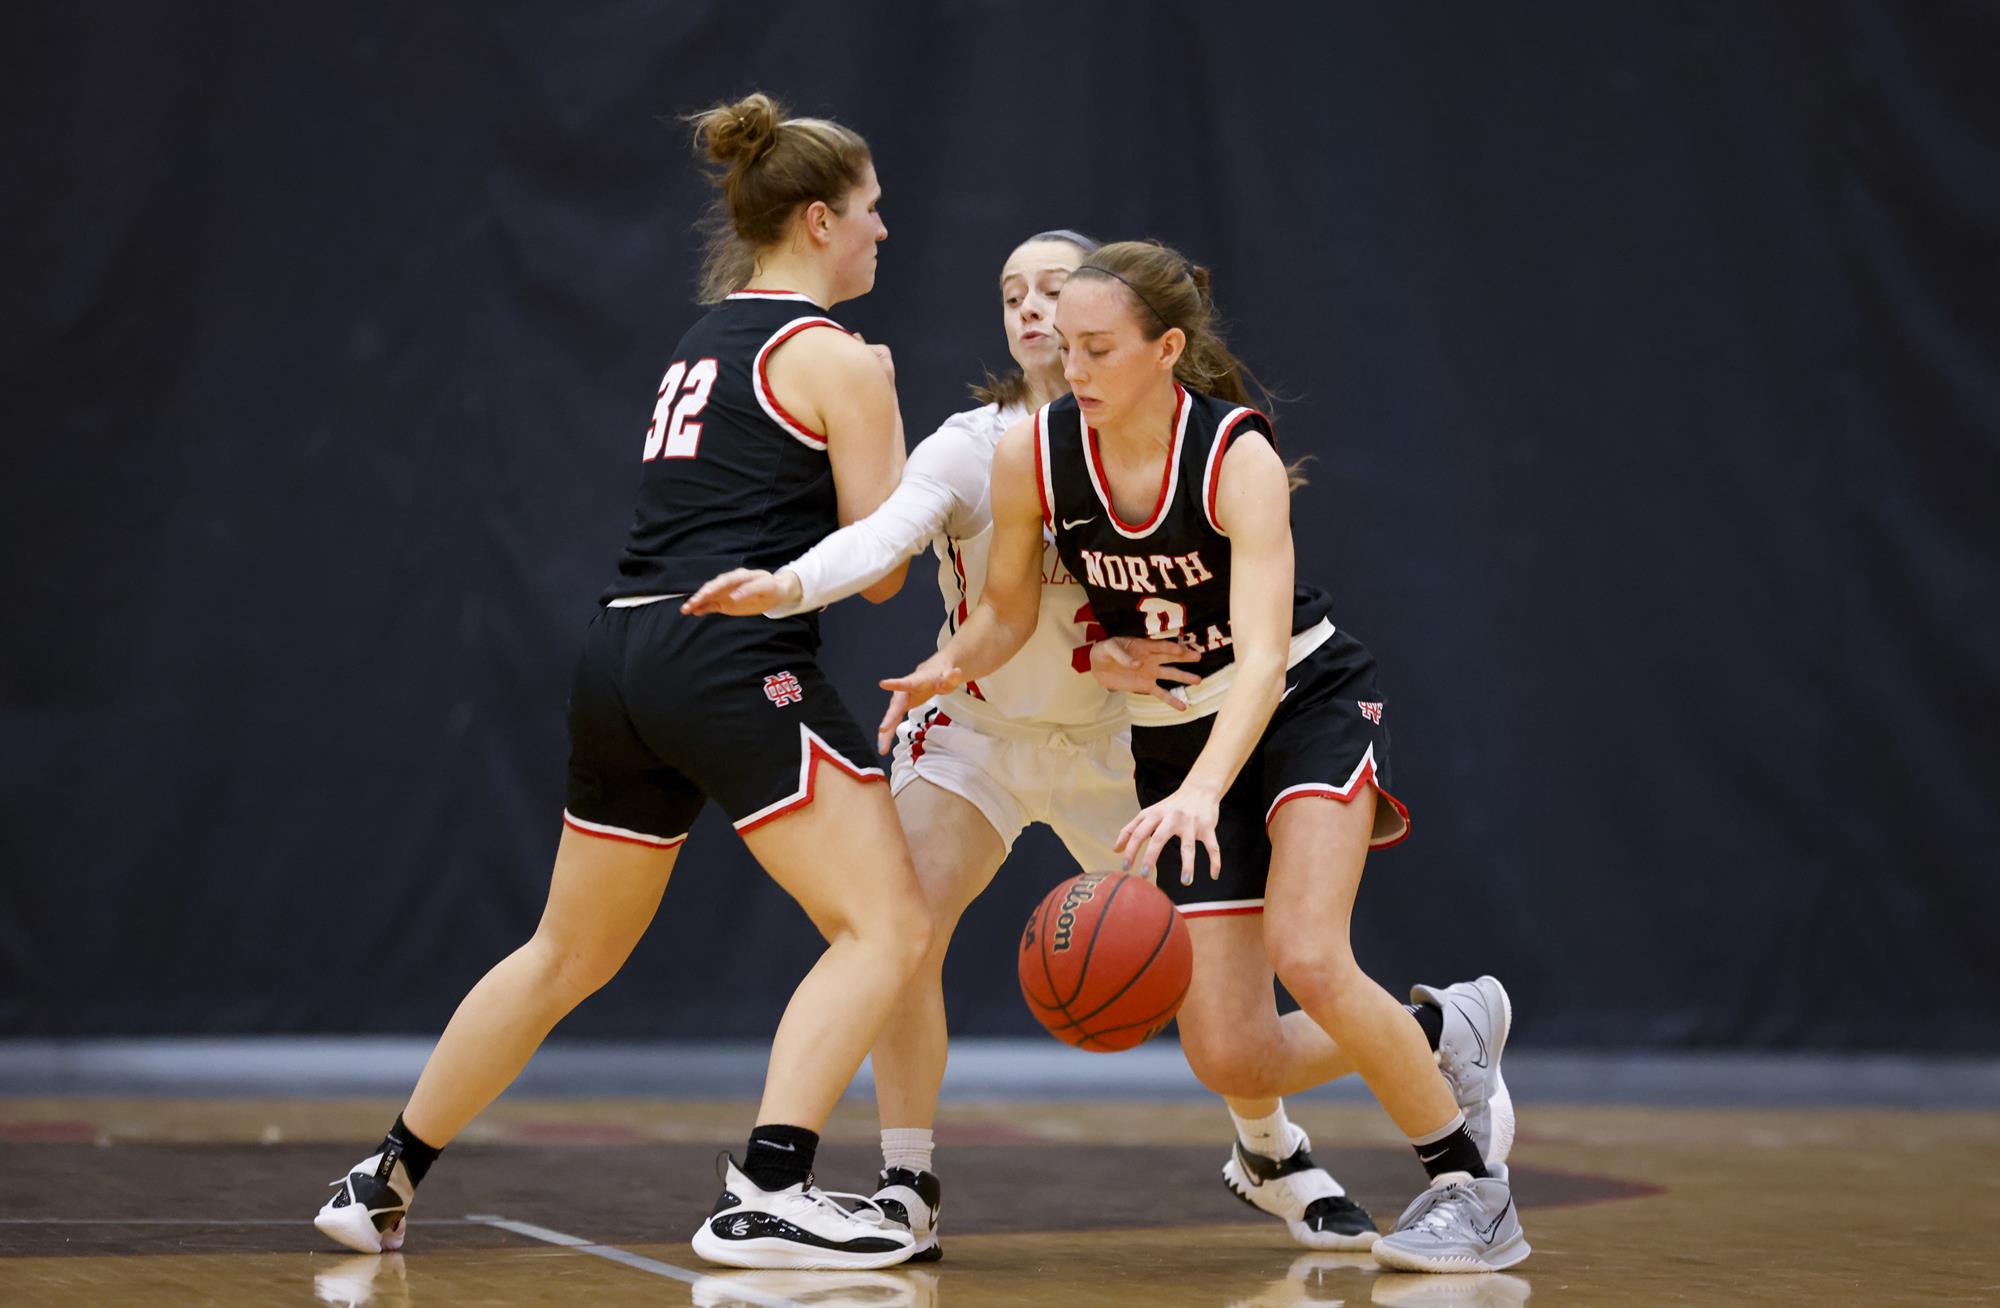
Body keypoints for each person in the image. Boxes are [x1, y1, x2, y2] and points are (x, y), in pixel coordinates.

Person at [686, 232, 1512, 1262]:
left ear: (1164, 347)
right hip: (1094, 737)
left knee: (1301, 958)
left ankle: (1438, 1180)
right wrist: (924, 649)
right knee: (1218, 1043)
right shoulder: (1016, 449)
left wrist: (1199, 778)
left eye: (1089, 340)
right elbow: (990, 604)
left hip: (1247, 713)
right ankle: (1437, 1036)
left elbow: (1258, 660)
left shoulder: (1229, 454)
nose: (1064, 358)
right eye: (1032, 314)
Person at [313, 92, 933, 1272]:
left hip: (622, 656)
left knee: (565, 951)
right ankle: (768, 1185)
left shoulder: (702, 340)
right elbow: (880, 580)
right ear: (815, 220)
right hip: (726, 653)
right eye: (869, 211)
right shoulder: (835, 360)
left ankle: (382, 1175)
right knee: (887, 925)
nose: (881, 233)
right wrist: (890, 410)